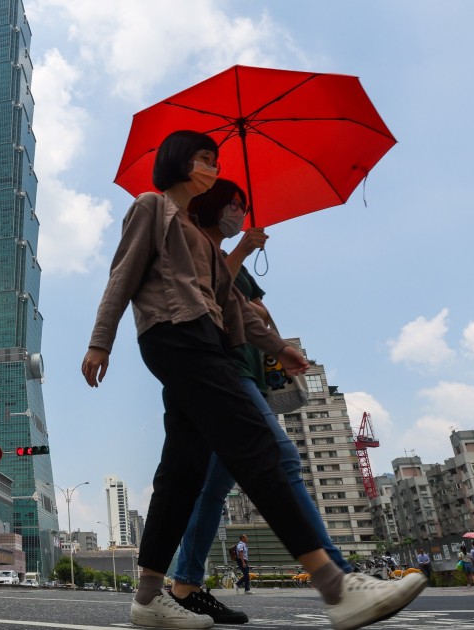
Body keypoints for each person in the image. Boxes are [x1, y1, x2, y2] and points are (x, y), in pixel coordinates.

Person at [82, 130, 425, 630]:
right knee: (257, 444)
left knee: (184, 471)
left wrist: (278, 346)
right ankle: (336, 585)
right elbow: (122, 275)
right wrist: (100, 341)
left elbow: (237, 305)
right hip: (175, 336)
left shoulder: (200, 238)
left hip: (204, 340)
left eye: (215, 160)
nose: (212, 168)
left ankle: (150, 597)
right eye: (204, 158)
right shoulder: (151, 207)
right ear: (178, 161)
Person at [166, 179, 356, 624]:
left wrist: (273, 338)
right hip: (222, 372)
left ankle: (184, 587)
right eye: (233, 204)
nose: (239, 213)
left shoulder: (232, 261)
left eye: (243, 206)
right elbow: (206, 294)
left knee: (210, 490)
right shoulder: (192, 244)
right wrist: (243, 252)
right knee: (280, 457)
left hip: (246, 369)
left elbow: (251, 309)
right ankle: (338, 575)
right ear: (211, 205)